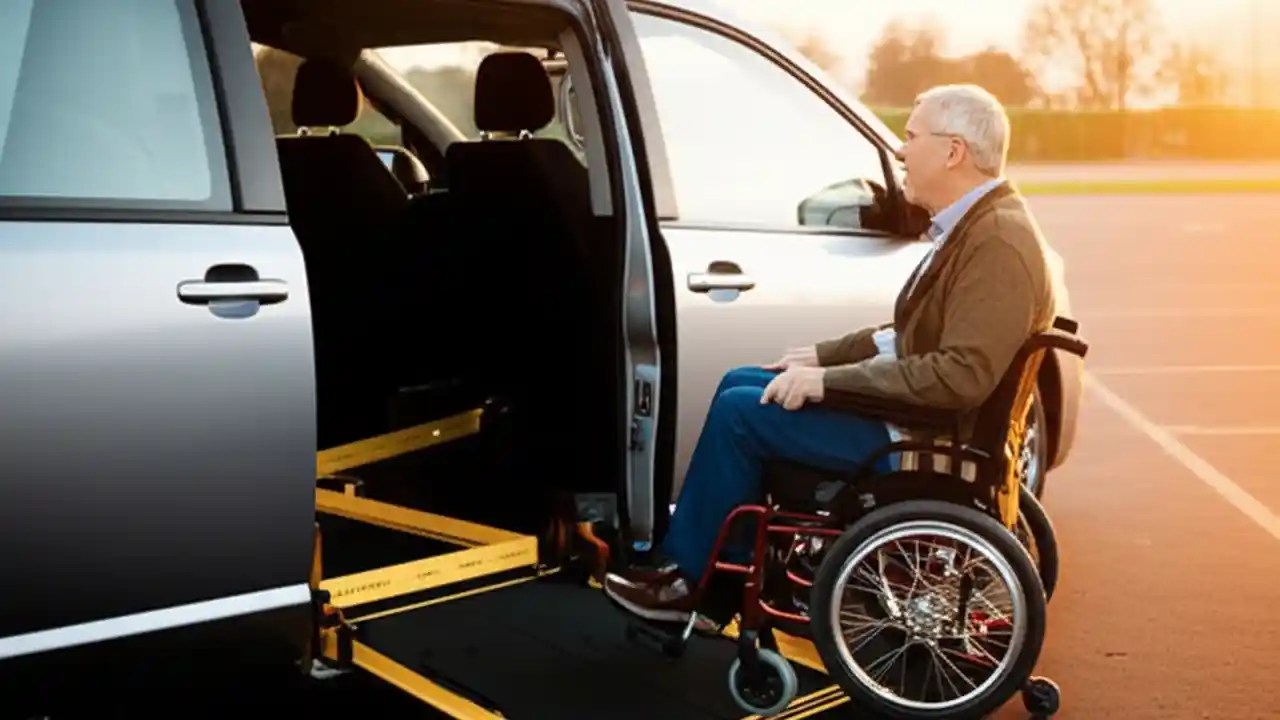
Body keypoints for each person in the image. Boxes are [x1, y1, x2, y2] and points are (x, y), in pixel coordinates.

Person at [603, 84, 1056, 624]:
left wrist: (830, 382)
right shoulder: (978, 228)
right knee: (739, 382)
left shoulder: (997, 243)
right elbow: (908, 334)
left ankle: (689, 582)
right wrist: (820, 357)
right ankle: (726, 571)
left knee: (741, 415)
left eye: (911, 139)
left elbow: (959, 377)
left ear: (953, 151)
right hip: (923, 419)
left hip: (926, 437)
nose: (900, 153)